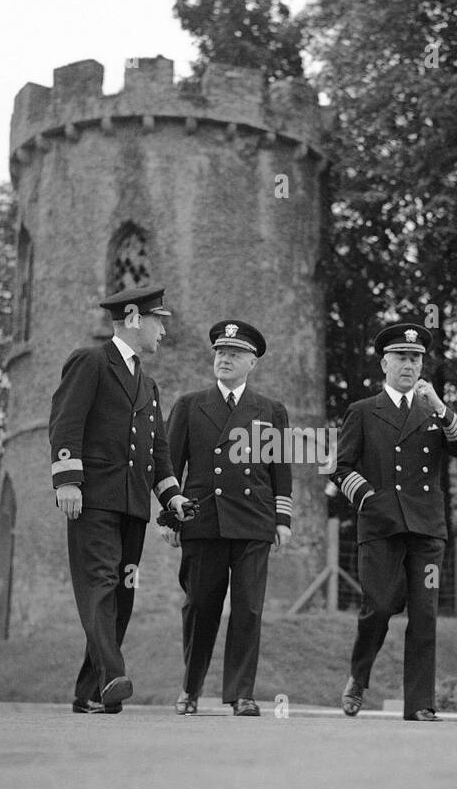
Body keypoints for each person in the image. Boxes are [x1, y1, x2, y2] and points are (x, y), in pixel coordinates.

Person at [49, 284, 190, 714]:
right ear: (133, 318)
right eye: (158, 321)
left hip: (132, 507)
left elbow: (159, 451)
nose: (163, 330)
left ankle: (89, 691)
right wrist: (67, 481)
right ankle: (113, 675)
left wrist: (173, 499)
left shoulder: (149, 385)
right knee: (101, 586)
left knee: (123, 593)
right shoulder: (90, 362)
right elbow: (65, 422)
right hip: (92, 500)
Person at [333, 322, 457, 721]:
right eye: (401, 358)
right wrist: (369, 499)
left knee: (425, 613)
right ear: (385, 363)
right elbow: (339, 467)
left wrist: (444, 409)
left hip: (427, 529)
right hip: (380, 527)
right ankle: (358, 678)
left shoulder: (434, 411)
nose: (409, 365)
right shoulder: (363, 411)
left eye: (415, 358)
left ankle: (420, 704)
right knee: (377, 607)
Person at [163, 320, 293, 716]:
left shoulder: (270, 410)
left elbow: (280, 468)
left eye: (234, 355)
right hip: (204, 521)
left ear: (252, 363)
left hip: (253, 520)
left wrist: (282, 518)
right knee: (200, 606)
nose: (225, 360)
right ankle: (190, 688)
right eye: (221, 353)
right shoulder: (189, 404)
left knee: (249, 608)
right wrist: (171, 517)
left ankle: (241, 694)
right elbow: (170, 464)